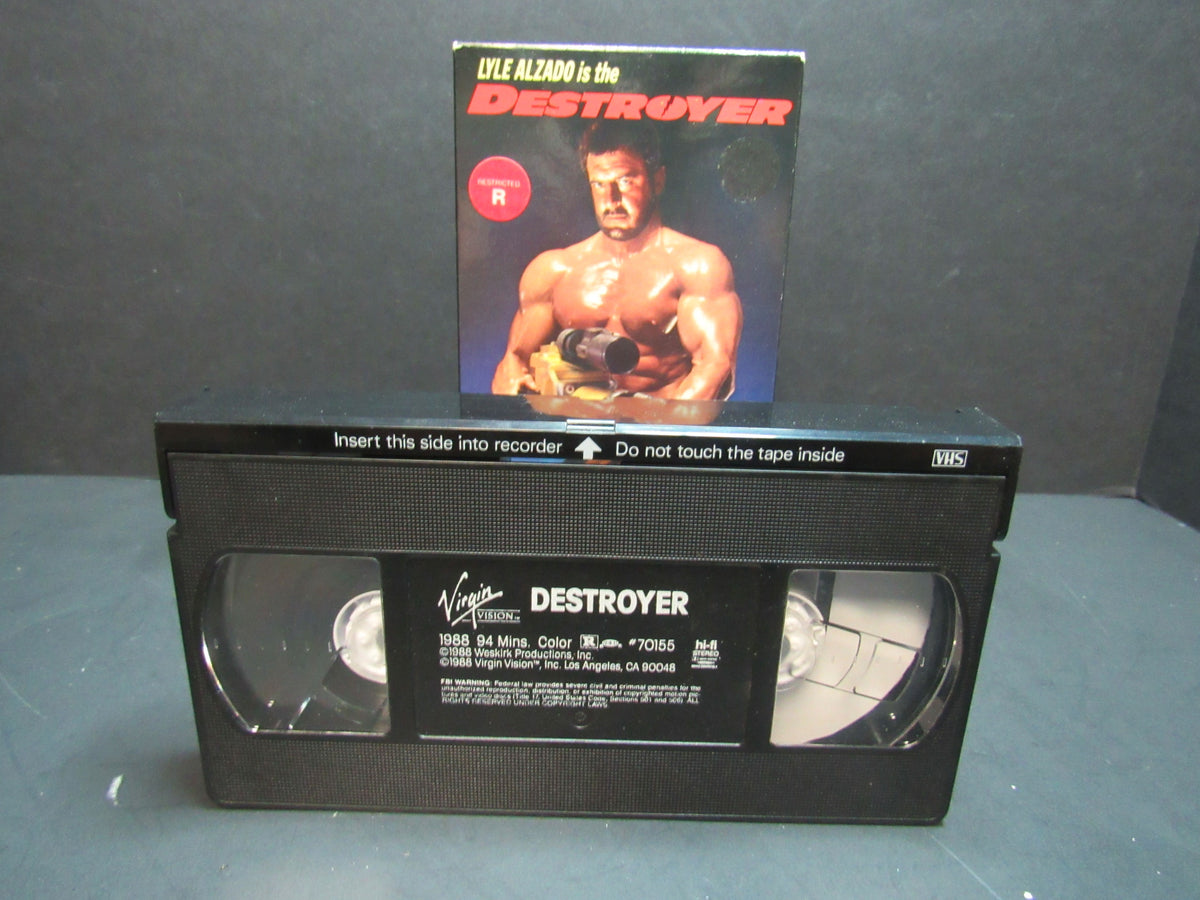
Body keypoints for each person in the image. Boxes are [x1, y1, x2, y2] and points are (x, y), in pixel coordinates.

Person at [492, 121, 743, 400]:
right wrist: (519, 395)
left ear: (657, 180)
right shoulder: (553, 271)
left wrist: (660, 425)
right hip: (575, 422)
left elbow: (715, 368)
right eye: (599, 184)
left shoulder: (696, 265)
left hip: (659, 420)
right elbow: (513, 362)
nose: (611, 199)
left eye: (625, 181)